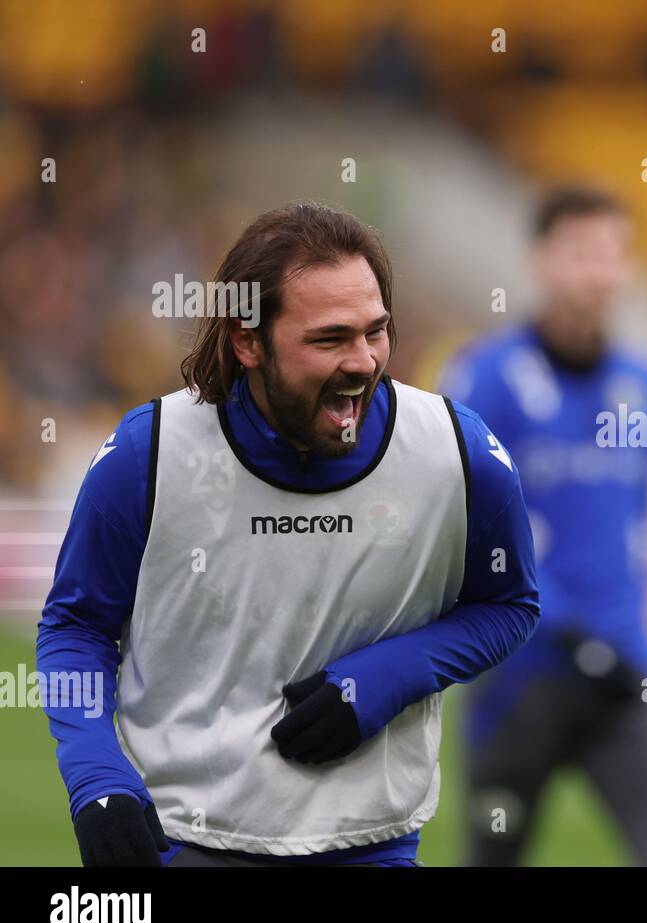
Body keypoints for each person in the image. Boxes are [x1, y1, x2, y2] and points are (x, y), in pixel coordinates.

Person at [37, 201, 539, 866]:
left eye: (376, 332)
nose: (363, 361)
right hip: (187, 841)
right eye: (330, 340)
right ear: (247, 342)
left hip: (374, 846)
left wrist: (384, 678)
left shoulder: (456, 452)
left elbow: (509, 604)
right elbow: (76, 626)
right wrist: (95, 772)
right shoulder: (149, 453)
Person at [441, 186, 647, 866]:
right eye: (581, 253)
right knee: (492, 855)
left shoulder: (643, 381)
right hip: (521, 679)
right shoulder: (484, 379)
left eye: (614, 254)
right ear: (540, 261)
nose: (599, 272)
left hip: (629, 674)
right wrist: (562, 626)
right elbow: (467, 528)